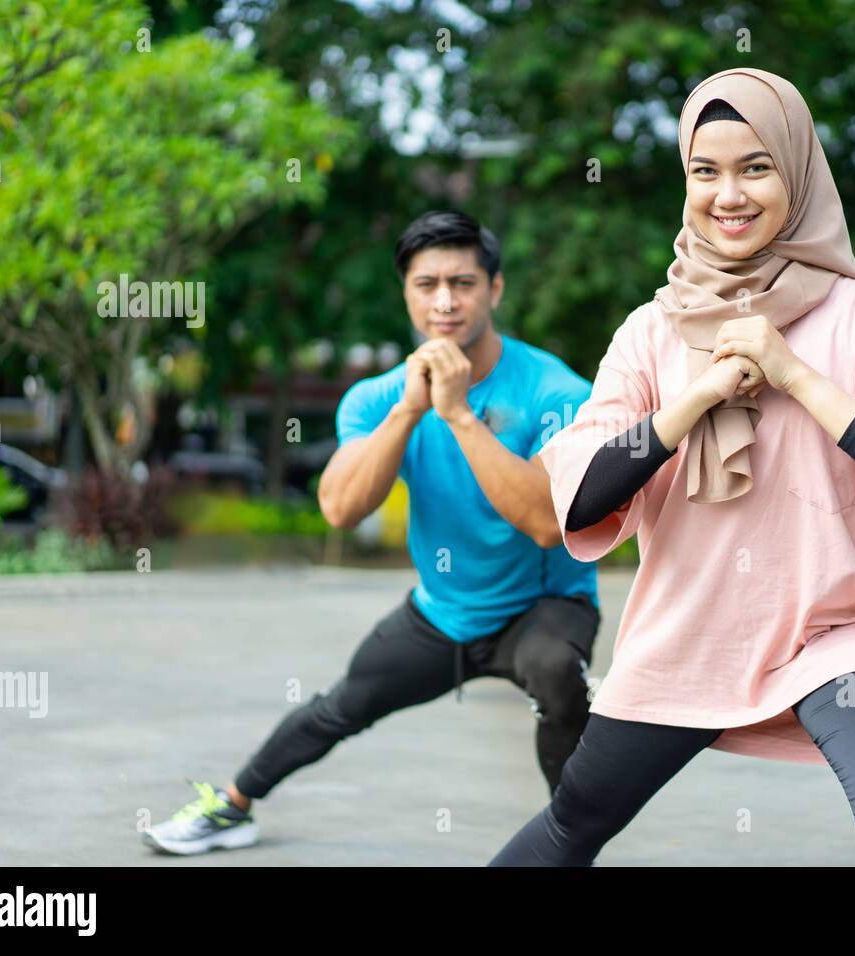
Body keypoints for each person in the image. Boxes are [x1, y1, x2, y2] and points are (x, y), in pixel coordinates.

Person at [488, 68, 855, 867]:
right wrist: (698, 397)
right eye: (704, 171)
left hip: (838, 633)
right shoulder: (652, 331)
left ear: (798, 172)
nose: (730, 194)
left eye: (756, 167)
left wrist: (795, 375)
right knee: (573, 821)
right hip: (689, 634)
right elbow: (579, 492)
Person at [144, 211, 602, 855]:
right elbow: (339, 508)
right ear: (406, 294)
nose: (445, 300)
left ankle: (570, 845)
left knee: (557, 676)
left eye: (463, 283)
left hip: (544, 607)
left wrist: (460, 416)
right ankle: (231, 807)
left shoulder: (557, 391)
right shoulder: (376, 397)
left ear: (494, 290)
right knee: (343, 704)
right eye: (427, 284)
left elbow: (548, 524)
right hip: (446, 610)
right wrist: (411, 410)